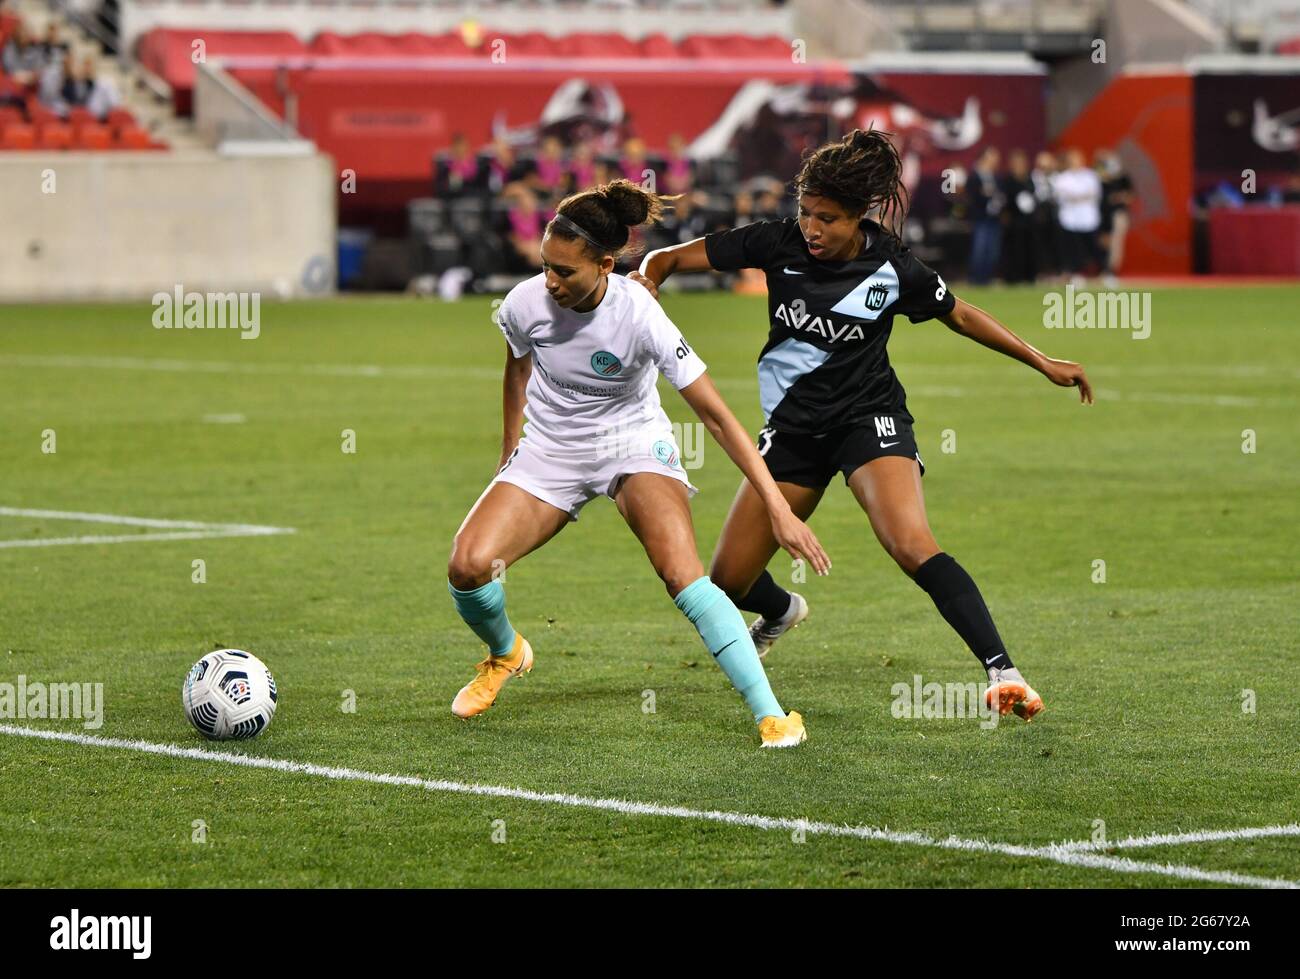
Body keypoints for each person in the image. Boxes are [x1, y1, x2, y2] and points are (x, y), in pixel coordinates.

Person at [632, 129, 1095, 722]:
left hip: (869, 417)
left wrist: (1041, 359)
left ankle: (1002, 669)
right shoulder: (775, 243)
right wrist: (647, 285)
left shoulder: (892, 265)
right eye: (805, 213)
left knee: (909, 543)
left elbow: (961, 315)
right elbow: (663, 258)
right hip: (794, 430)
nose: (811, 228)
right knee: (726, 579)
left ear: (861, 216)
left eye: (827, 218)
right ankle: (781, 610)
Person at [446, 179, 829, 748]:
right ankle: (506, 654)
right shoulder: (527, 301)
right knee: (468, 566)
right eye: (546, 266)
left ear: (605, 265)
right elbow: (518, 367)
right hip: (551, 448)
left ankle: (772, 714)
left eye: (565, 272)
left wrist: (777, 507)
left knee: (683, 574)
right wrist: (510, 451)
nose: (550, 281)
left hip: (632, 441)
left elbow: (719, 417)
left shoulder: (641, 317)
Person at [1052, 148, 1103, 285]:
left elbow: (1094, 194)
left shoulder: (1091, 176)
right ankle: (1074, 275)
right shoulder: (1062, 178)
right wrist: (1080, 196)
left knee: (1093, 248)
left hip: (1088, 219)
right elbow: (1063, 196)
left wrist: (1076, 196)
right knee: (1073, 251)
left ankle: (1102, 274)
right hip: (1070, 220)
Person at [966, 146, 1004, 285]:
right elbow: (972, 196)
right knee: (979, 249)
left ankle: (987, 278)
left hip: (994, 217)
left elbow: (999, 193)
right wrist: (983, 195)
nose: (995, 160)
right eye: (992, 156)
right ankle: (976, 278)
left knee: (993, 250)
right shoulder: (974, 175)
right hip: (980, 218)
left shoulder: (996, 176)